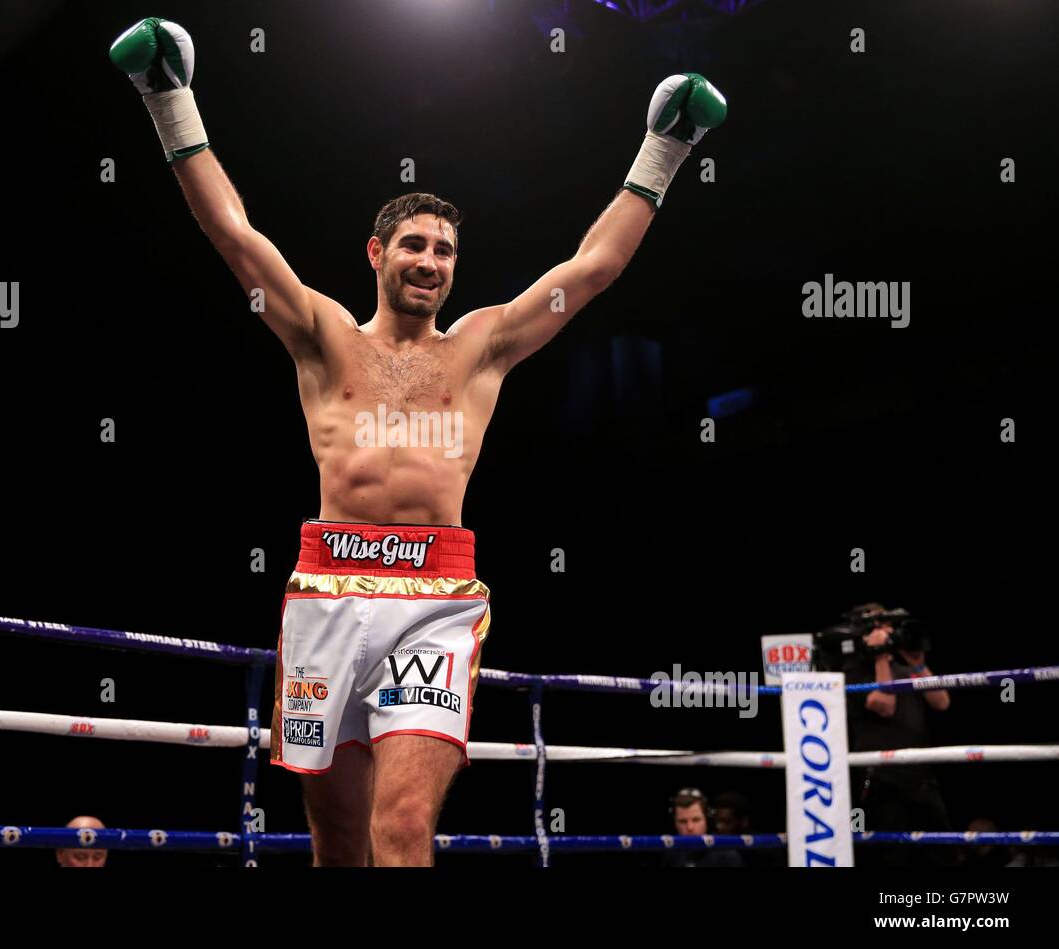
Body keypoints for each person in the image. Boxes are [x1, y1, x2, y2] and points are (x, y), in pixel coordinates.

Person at [110, 17, 726, 866]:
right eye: (413, 244)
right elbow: (236, 237)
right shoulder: (324, 335)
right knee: (334, 835)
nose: (430, 260)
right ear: (377, 253)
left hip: (433, 598)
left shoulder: (482, 346)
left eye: (443, 249)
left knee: (400, 830)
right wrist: (167, 96)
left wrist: (666, 146)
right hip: (325, 588)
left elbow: (591, 268)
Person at [846, 604, 953, 866]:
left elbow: (941, 702)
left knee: (941, 850)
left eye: (889, 626)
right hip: (880, 777)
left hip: (920, 775)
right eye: (879, 627)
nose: (887, 633)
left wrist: (918, 664)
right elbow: (884, 706)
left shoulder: (905, 668)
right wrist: (881, 657)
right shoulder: (853, 669)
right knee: (892, 854)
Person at [661, 788, 743, 867]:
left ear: (707, 819)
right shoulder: (667, 854)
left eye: (696, 820)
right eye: (682, 821)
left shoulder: (726, 854)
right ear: (674, 823)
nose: (690, 827)